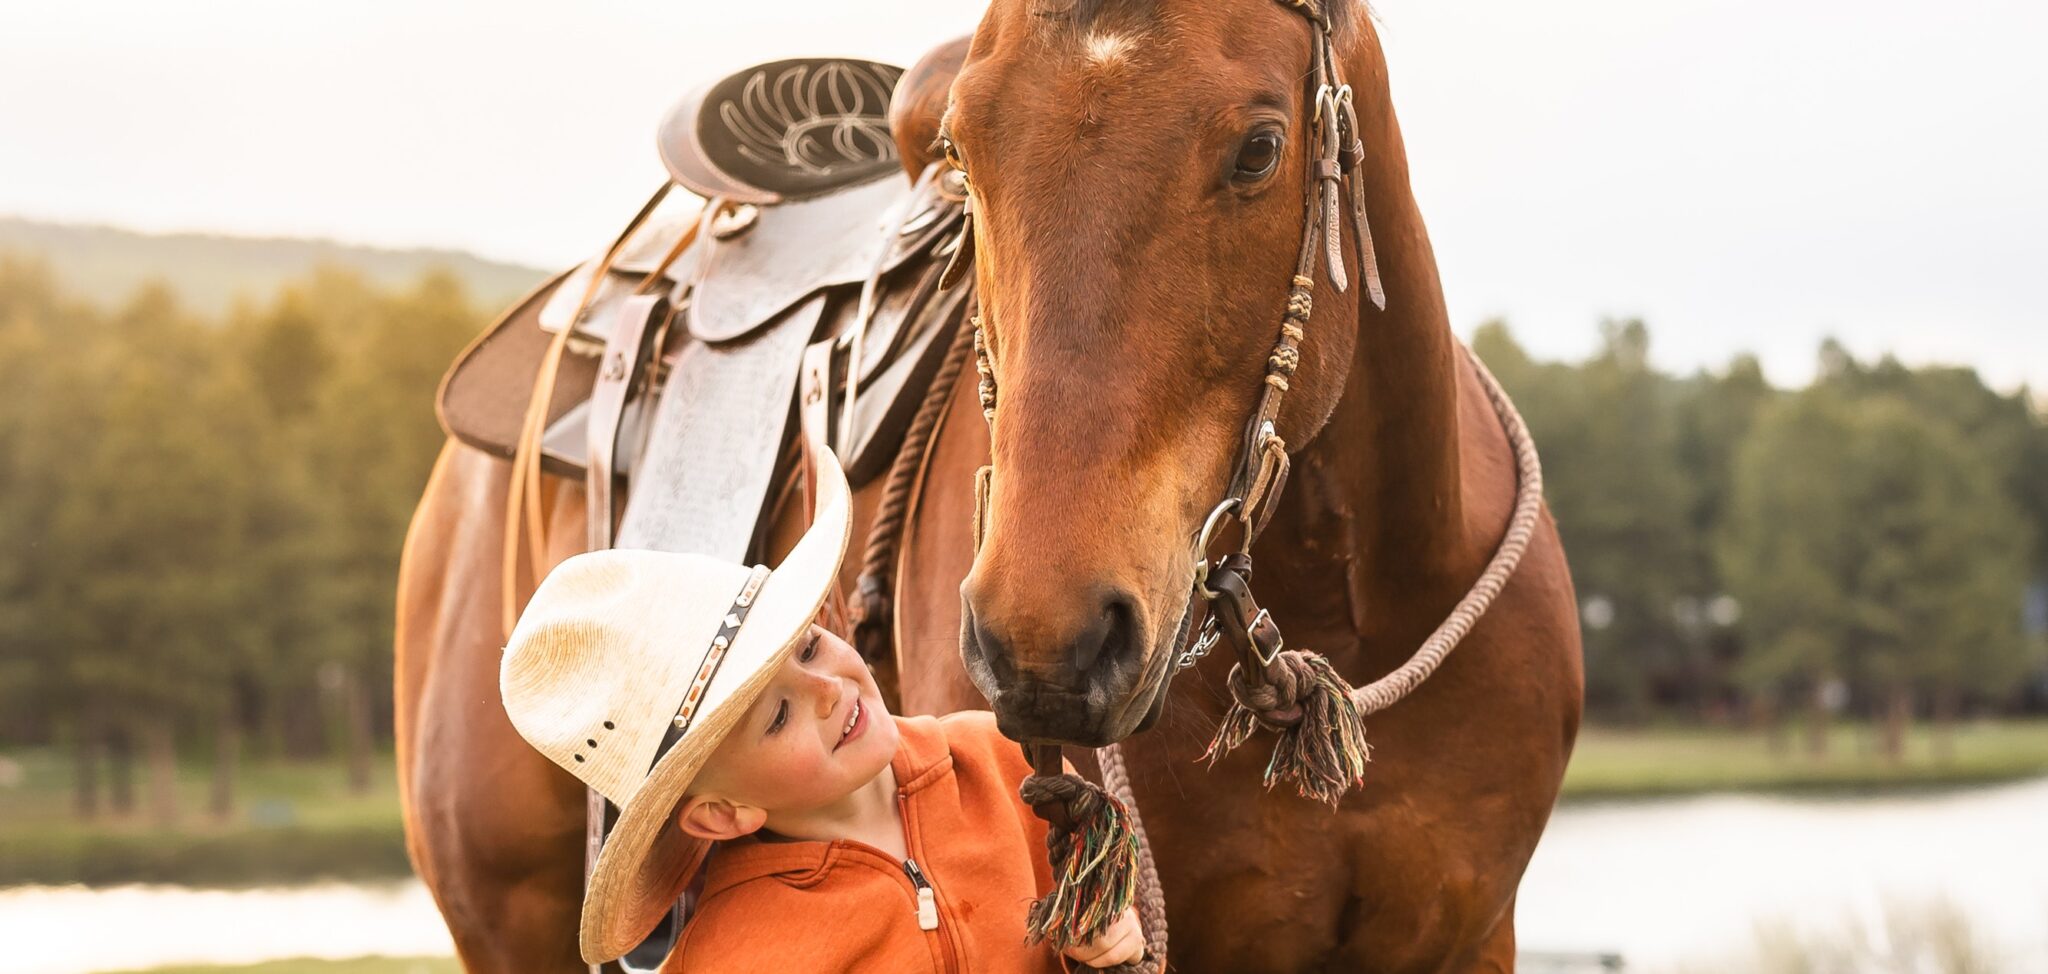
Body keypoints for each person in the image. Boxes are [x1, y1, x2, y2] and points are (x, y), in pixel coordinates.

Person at [499, 443, 1145, 972]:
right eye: (777, 716)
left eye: (809, 646)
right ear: (723, 814)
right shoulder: (732, 960)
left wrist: (1114, 952)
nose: (828, 688)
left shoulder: (997, 763)